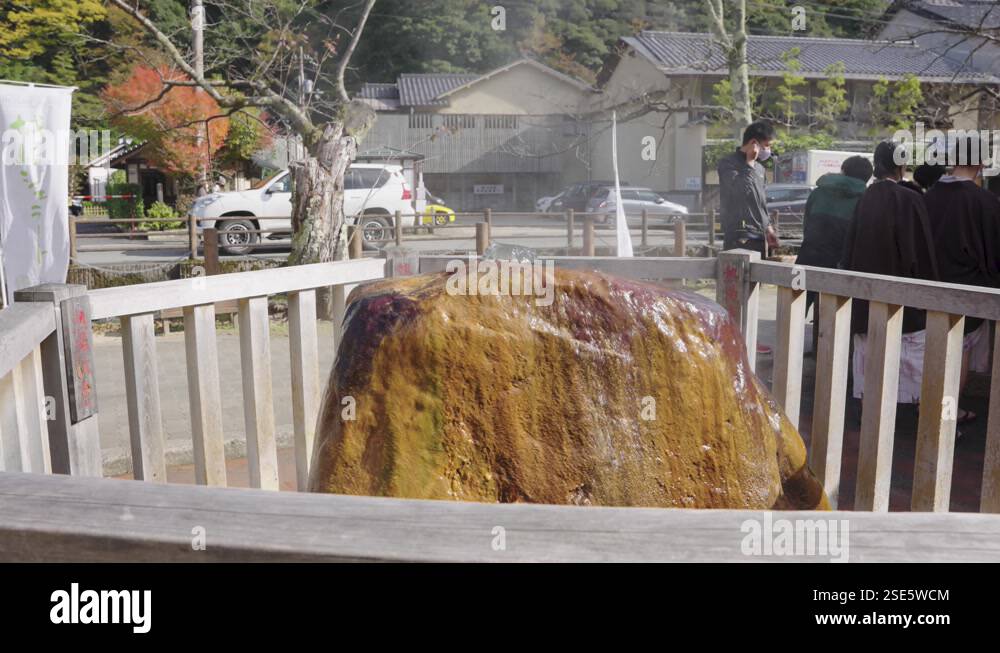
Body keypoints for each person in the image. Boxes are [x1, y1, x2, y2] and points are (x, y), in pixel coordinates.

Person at [841, 140, 939, 405]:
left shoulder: (865, 198)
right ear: (902, 165)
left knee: (869, 363)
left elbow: (849, 251)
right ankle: (923, 414)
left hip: (865, 298)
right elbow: (921, 253)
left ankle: (868, 411)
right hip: (903, 301)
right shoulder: (910, 198)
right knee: (913, 367)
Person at [922, 134, 1000, 418]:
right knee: (958, 356)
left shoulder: (928, 196)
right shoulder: (985, 201)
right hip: (969, 291)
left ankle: (929, 408)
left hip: (926, 288)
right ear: (980, 162)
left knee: (934, 352)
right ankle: (946, 416)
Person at [795, 155, 873, 317]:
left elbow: (807, 224)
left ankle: (788, 342)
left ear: (843, 171)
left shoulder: (818, 192)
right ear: (867, 178)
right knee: (832, 314)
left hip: (808, 256)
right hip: (841, 262)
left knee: (795, 307)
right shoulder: (866, 199)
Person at [717, 120, 780, 258]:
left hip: (759, 235)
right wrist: (749, 163)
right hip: (740, 234)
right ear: (754, 143)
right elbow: (740, 191)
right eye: (767, 146)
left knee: (757, 277)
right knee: (738, 276)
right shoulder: (728, 163)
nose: (768, 150)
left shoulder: (760, 168)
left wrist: (769, 229)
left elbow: (760, 203)